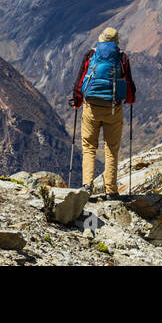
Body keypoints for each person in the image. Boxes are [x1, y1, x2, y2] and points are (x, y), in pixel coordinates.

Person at [69, 26, 136, 198]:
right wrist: (130, 100)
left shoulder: (91, 55)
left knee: (89, 147)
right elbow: (128, 83)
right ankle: (111, 191)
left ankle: (87, 186)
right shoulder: (122, 58)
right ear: (116, 42)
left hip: (91, 108)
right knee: (111, 149)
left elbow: (80, 80)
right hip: (113, 110)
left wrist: (76, 101)